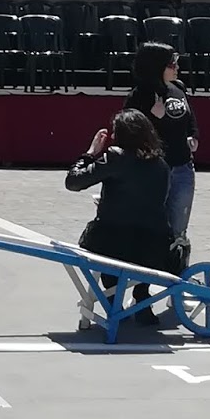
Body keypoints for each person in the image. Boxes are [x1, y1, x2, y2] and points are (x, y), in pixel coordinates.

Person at [64, 108, 178, 325]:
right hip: (153, 245)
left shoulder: (116, 156)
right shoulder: (161, 164)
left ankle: (113, 300)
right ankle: (141, 298)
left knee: (104, 240)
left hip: (114, 243)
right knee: (142, 237)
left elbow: (73, 182)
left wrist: (90, 153)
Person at [125, 41, 198, 249]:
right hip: (154, 170)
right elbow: (128, 132)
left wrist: (193, 135)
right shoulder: (139, 96)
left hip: (182, 167)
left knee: (179, 230)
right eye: (171, 64)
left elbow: (190, 118)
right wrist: (152, 118)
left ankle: (177, 263)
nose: (177, 68)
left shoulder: (178, 88)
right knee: (152, 227)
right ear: (156, 66)